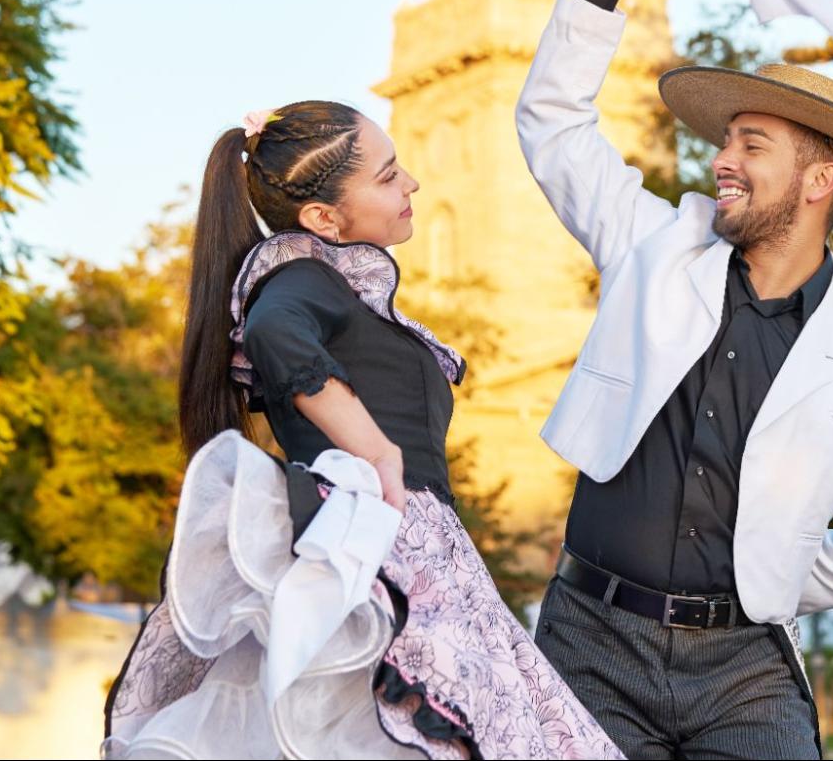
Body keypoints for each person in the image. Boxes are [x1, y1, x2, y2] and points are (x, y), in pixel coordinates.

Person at [515, 0, 833, 759]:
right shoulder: (651, 249)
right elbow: (553, 126)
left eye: (752, 144)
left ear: (820, 179)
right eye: (726, 141)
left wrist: (770, 574)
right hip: (588, 646)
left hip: (745, 668)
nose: (723, 159)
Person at [101, 101, 621, 760]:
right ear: (323, 217)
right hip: (380, 548)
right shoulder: (302, 276)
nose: (411, 185)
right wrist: (375, 449)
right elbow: (271, 332)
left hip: (418, 551)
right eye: (387, 175)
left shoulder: (337, 287)